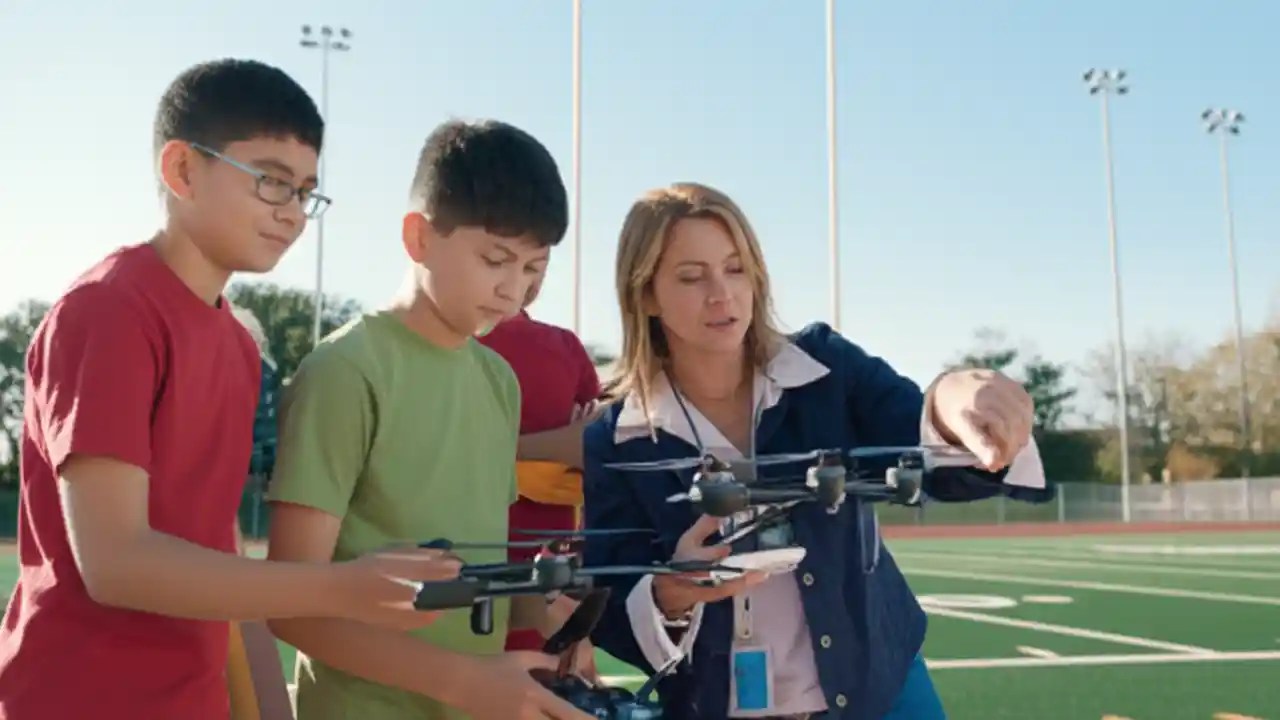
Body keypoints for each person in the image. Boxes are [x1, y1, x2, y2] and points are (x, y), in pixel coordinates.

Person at [0, 58, 459, 720]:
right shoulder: (109, 311)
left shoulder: (240, 345)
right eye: (272, 183)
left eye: (306, 191)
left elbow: (222, 560)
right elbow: (117, 563)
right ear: (182, 170)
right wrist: (339, 589)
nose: (294, 213)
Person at [581, 182, 1053, 720]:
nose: (723, 293)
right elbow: (609, 601)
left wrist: (952, 398)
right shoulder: (615, 439)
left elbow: (922, 439)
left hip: (881, 691)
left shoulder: (826, 369)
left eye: (736, 268)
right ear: (644, 294)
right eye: (692, 277)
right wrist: (670, 593)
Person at [264, 118, 596, 720]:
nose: (513, 290)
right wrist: (464, 681)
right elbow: (291, 605)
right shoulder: (345, 371)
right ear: (418, 237)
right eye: (496, 259)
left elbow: (474, 578)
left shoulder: (498, 382)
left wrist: (550, 614)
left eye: (532, 269)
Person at [476, 273, 603, 659]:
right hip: (539, 556)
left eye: (535, 262)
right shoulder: (562, 346)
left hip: (533, 553)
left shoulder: (563, 347)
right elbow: (593, 437)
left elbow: (594, 438)